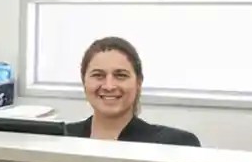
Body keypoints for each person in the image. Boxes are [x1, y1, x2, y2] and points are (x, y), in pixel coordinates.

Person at [63, 36, 201, 147]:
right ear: (84, 81)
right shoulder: (59, 140)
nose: (109, 86)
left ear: (138, 82)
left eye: (120, 75)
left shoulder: (176, 144)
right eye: (98, 75)